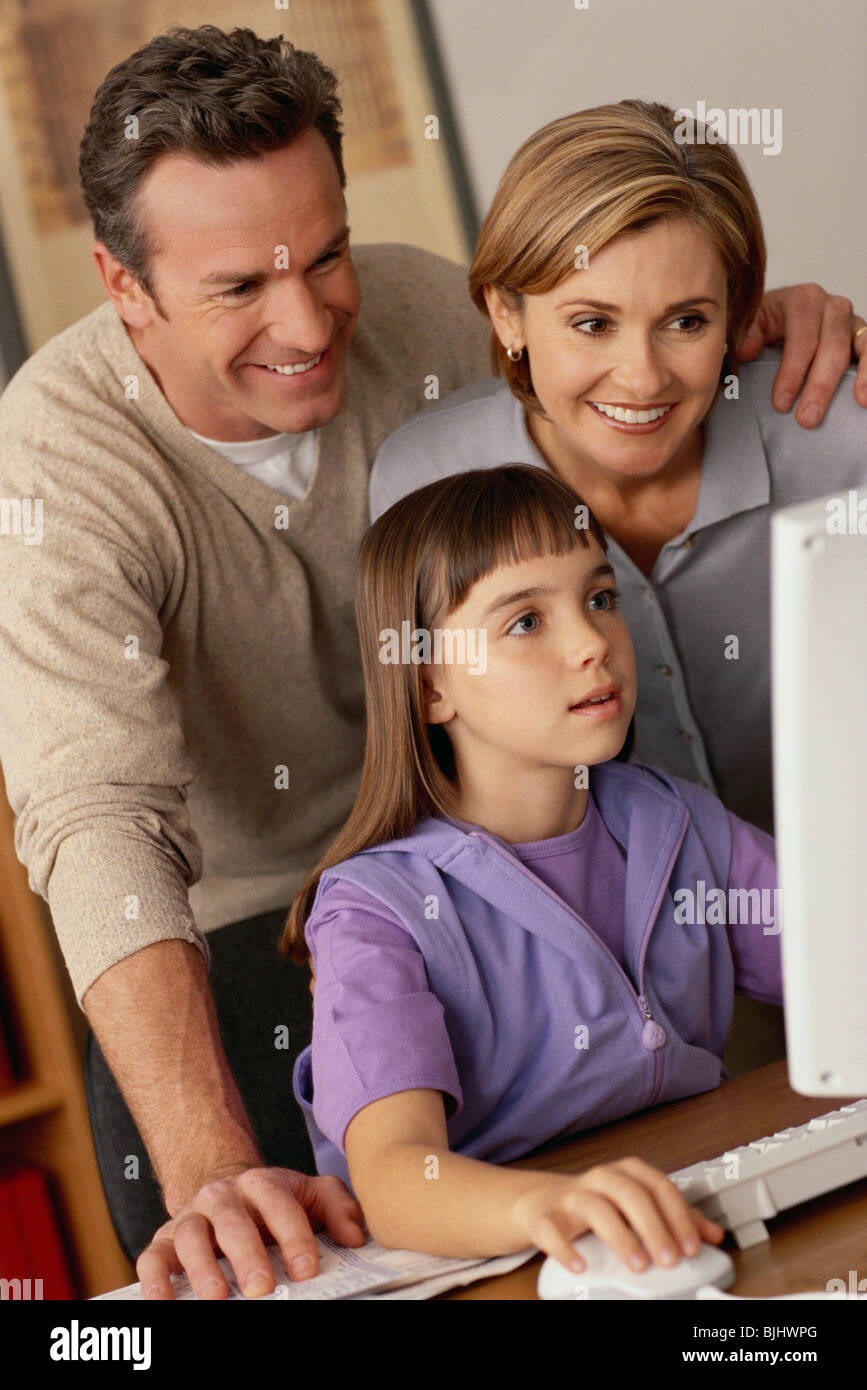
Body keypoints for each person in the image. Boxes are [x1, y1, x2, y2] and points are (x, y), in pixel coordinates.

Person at [0, 30, 857, 1300]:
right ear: (124, 287)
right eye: (239, 286)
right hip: (239, 945)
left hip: (531, 872)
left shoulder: (426, 313)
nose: (306, 323)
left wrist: (745, 324)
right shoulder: (53, 466)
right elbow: (94, 815)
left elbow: (604, 343)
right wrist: (211, 1168)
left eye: (328, 256)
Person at [286, 464, 781, 1273]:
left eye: (599, 598)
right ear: (428, 687)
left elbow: (840, 968)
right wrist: (543, 1202)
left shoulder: (679, 818)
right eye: (524, 622)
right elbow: (396, 1177)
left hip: (679, 1228)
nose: (592, 643)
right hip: (500, 1266)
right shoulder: (375, 911)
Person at [370, 99, 867, 843]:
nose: (640, 379)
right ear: (505, 314)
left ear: (735, 313)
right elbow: (439, 764)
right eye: (591, 324)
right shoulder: (427, 478)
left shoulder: (840, 434)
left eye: (686, 321)